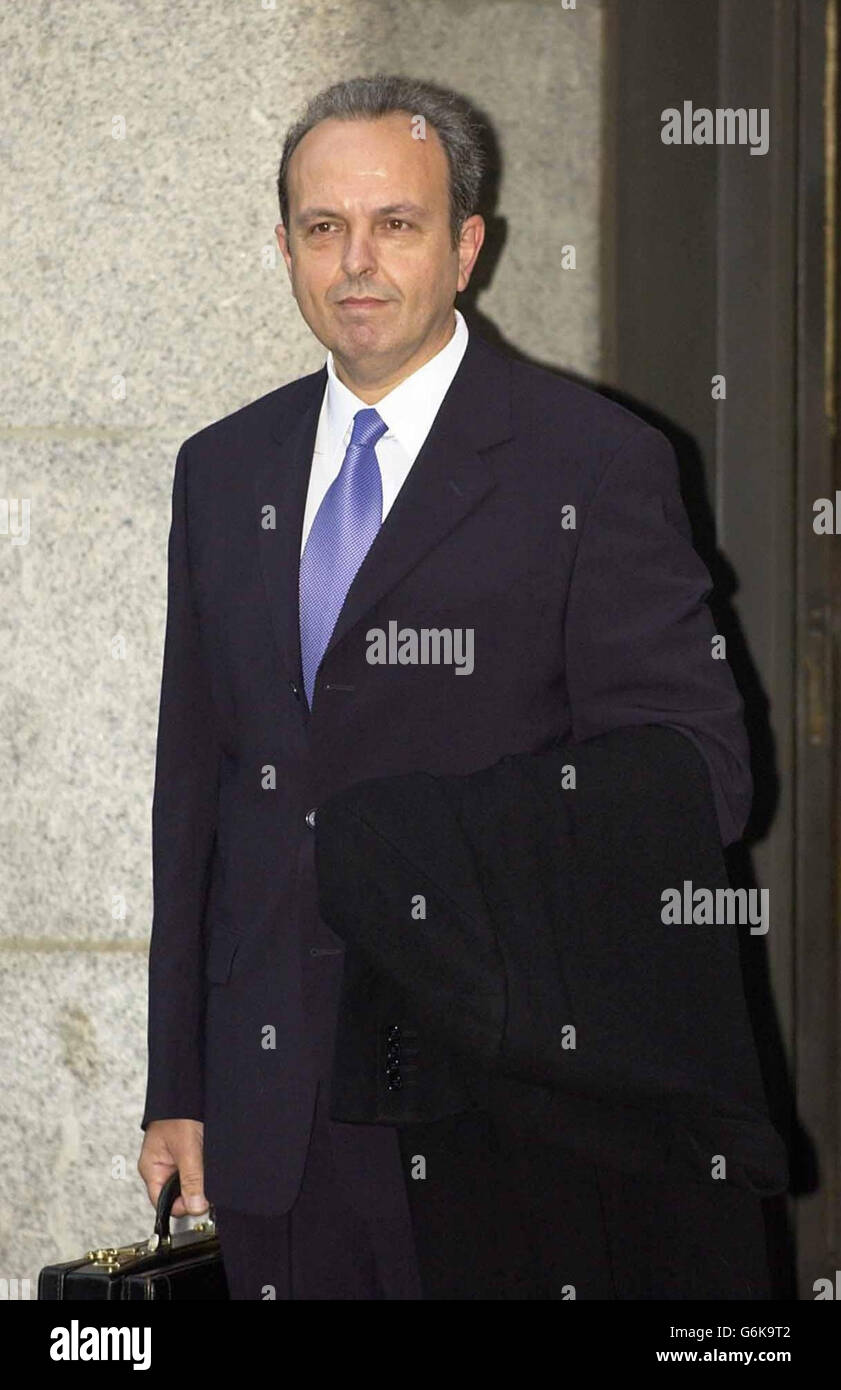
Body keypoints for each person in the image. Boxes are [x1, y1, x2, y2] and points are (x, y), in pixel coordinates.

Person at [137, 73, 757, 1299]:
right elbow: (194, 795)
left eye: (398, 224)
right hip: (273, 1125)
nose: (356, 261)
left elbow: (704, 778)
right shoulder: (221, 469)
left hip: (499, 1117)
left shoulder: (595, 462)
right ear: (285, 248)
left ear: (468, 245)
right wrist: (178, 1086)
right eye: (323, 228)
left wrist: (419, 847)